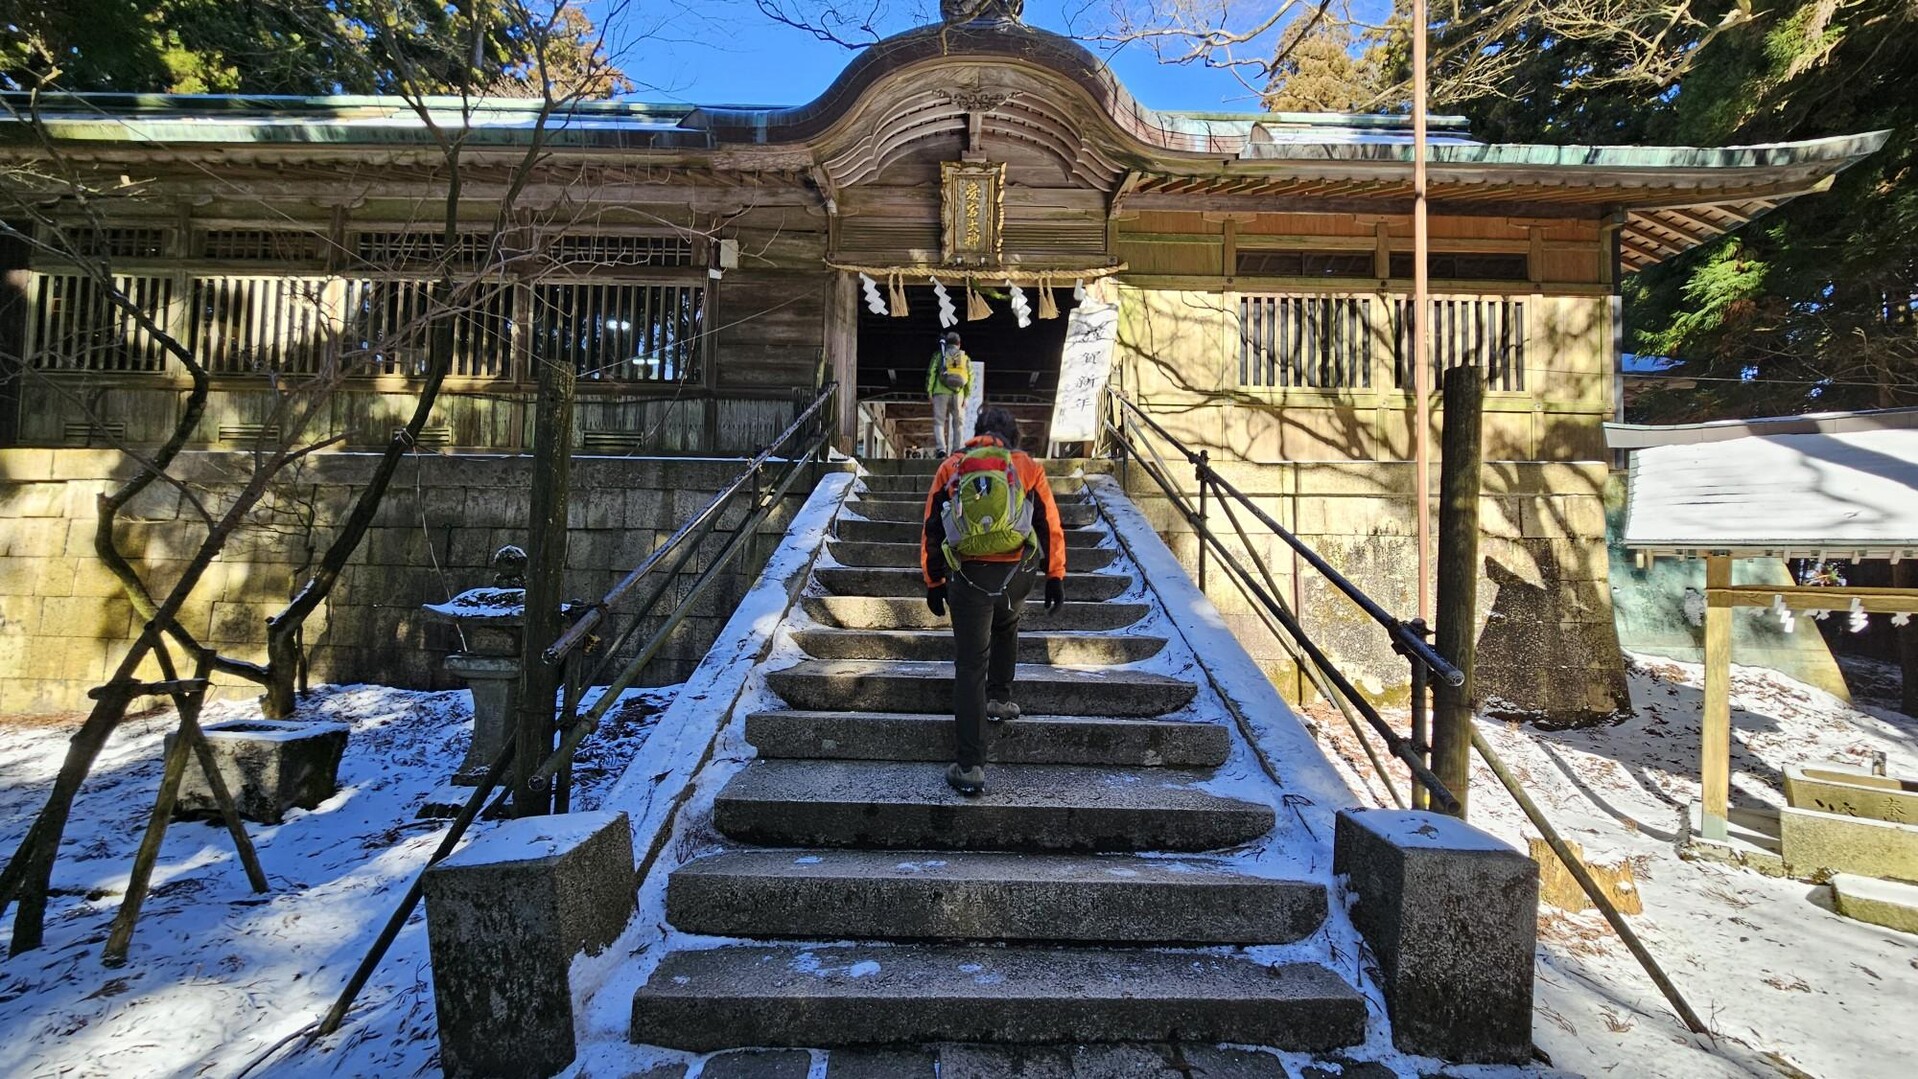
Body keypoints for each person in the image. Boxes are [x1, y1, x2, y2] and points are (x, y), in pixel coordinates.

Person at [921, 407, 1067, 795]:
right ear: (1012, 436)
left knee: (971, 665)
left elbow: (932, 529)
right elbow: (1048, 524)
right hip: (1016, 573)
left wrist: (934, 580)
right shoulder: (1027, 466)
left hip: (968, 576)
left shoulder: (951, 466)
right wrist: (1055, 575)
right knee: (1007, 622)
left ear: (977, 432)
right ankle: (1000, 698)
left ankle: (970, 766)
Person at [924, 331, 971, 455]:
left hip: (940, 393)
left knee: (939, 421)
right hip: (958, 393)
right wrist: (966, 396)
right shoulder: (964, 357)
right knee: (958, 423)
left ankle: (941, 449)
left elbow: (931, 372)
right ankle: (957, 450)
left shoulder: (939, 355)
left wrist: (929, 391)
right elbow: (970, 377)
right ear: (959, 344)